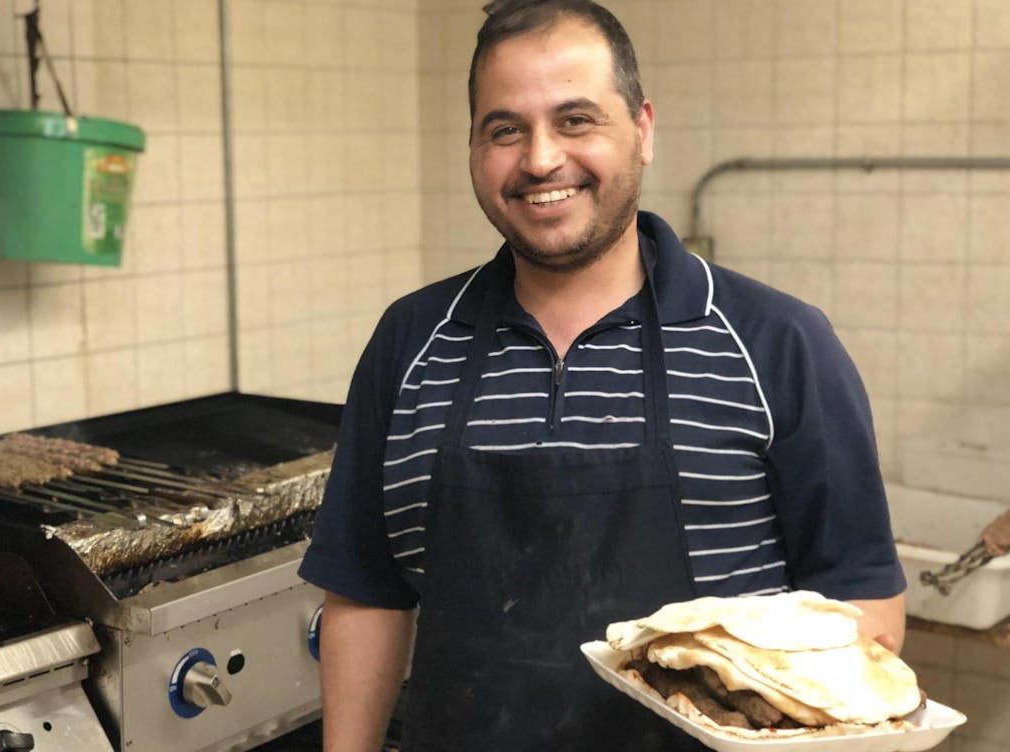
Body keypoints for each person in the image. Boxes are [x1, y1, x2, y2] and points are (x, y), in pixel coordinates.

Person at [298, 1, 907, 749]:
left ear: (642, 129)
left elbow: (862, 603)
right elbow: (367, 594)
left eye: (576, 119)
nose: (540, 159)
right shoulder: (412, 340)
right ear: (473, 147)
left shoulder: (778, 343)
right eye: (504, 129)